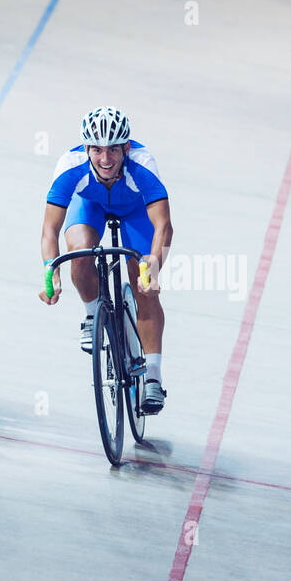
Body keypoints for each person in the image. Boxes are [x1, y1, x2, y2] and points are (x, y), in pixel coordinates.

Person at [39, 106, 172, 413]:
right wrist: (51, 272)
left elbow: (163, 225)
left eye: (114, 149)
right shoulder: (70, 166)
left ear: (126, 147)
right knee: (80, 253)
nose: (106, 159)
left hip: (136, 210)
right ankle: (91, 315)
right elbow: (50, 229)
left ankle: (152, 376)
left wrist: (152, 265)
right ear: (86, 148)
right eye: (97, 150)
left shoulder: (143, 165)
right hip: (90, 206)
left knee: (144, 286)